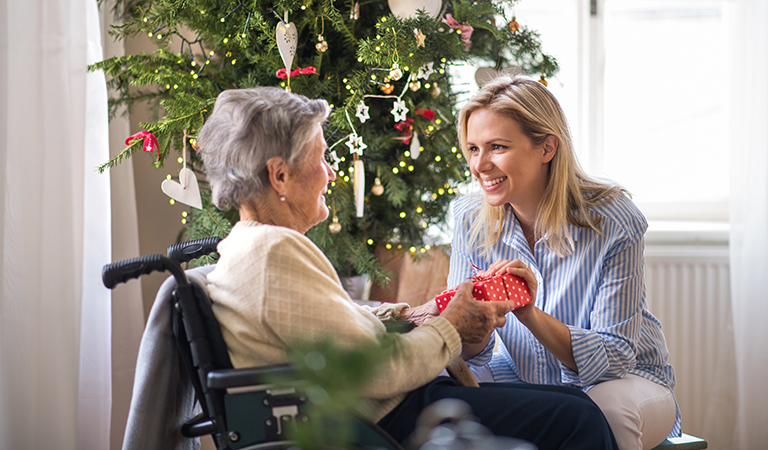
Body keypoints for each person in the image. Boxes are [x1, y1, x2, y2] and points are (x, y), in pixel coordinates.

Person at [198, 86, 618, 450]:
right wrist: (451, 326)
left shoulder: (251, 246)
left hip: (387, 407)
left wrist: (410, 314)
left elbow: (329, 321)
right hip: (386, 419)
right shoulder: (274, 251)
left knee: (577, 405)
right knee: (578, 419)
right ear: (280, 175)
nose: (330, 173)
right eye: (320, 158)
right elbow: (379, 371)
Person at [447, 74, 680, 450]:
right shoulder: (468, 218)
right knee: (454, 399)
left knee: (605, 411)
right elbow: (466, 351)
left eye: (497, 147)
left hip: (624, 382)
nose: (480, 164)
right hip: (521, 377)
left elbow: (615, 357)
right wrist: (474, 322)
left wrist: (529, 314)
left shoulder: (613, 220)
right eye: (473, 149)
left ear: (547, 148)